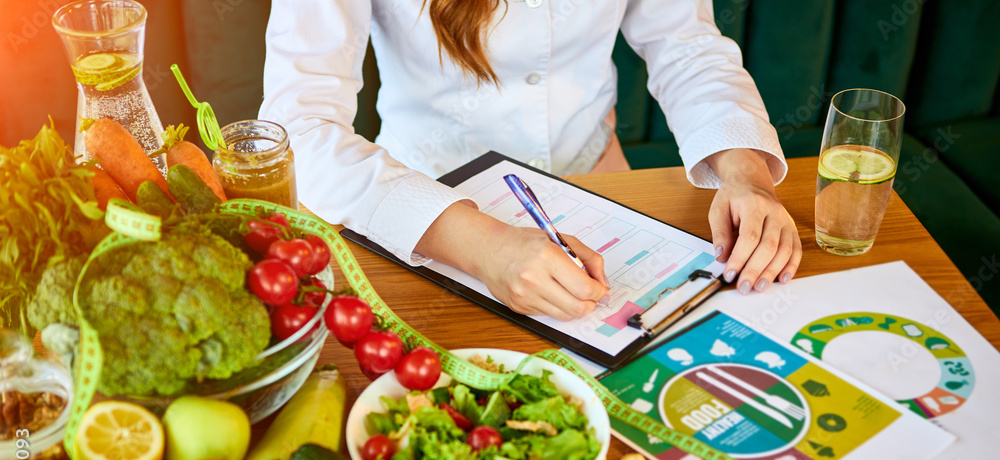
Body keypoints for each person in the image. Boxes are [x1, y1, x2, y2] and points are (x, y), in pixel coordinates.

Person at [260, 0, 801, 322]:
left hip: (599, 187)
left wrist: (745, 172)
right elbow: (298, 130)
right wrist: (480, 243)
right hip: (426, 216)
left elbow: (686, 45)